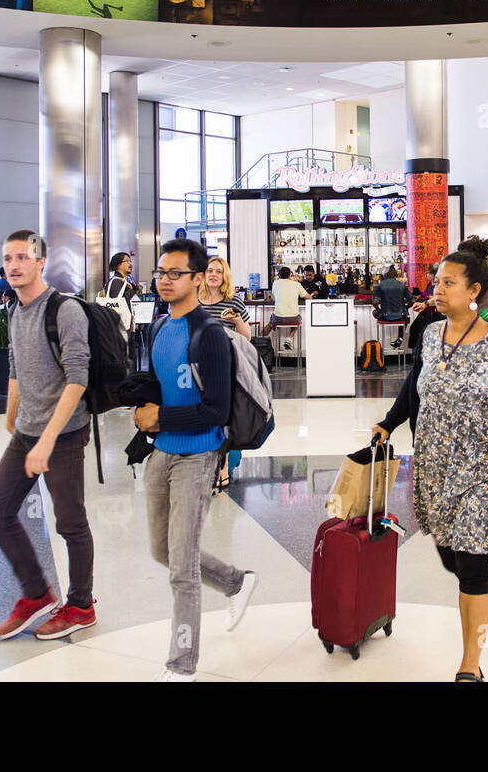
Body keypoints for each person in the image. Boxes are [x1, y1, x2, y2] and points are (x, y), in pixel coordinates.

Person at [372, 249, 488, 682]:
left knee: (471, 570)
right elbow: (415, 387)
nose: (437, 290)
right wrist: (388, 423)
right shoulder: (430, 334)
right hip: (434, 466)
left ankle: (471, 663)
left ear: (474, 290)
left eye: (448, 283)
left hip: (482, 471)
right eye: (437, 281)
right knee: (452, 559)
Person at [137, 238, 258, 681]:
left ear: (197, 277)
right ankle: (236, 582)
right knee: (162, 551)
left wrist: (160, 417)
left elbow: (217, 410)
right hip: (161, 453)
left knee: (182, 567)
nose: (165, 280)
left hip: (199, 453)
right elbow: (160, 385)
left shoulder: (209, 335)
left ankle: (181, 666)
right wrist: (140, 405)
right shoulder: (158, 328)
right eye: (160, 273)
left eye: (175, 273)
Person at [0, 229, 98, 641]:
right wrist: (12, 415)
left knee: (70, 523)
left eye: (22, 257)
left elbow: (78, 377)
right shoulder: (15, 310)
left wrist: (48, 439)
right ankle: (36, 594)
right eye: (7, 258)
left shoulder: (64, 310)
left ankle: (81, 606)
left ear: (40, 262)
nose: (13, 265)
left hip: (64, 436)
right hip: (27, 434)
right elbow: (15, 365)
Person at [199, 255, 251, 492]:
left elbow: (246, 337)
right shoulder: (194, 300)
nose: (213, 275)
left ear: (224, 276)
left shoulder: (233, 301)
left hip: (226, 365)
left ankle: (224, 467)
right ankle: (204, 464)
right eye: (210, 270)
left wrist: (237, 320)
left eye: (218, 271)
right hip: (198, 367)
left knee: (224, 418)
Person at [261, 266, 309, 339]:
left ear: (279, 275)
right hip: (293, 318)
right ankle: (289, 338)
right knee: (298, 320)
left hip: (278, 318)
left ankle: (259, 339)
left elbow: (274, 295)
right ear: (290, 275)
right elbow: (309, 297)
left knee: (271, 322)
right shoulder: (296, 284)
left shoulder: (275, 283)